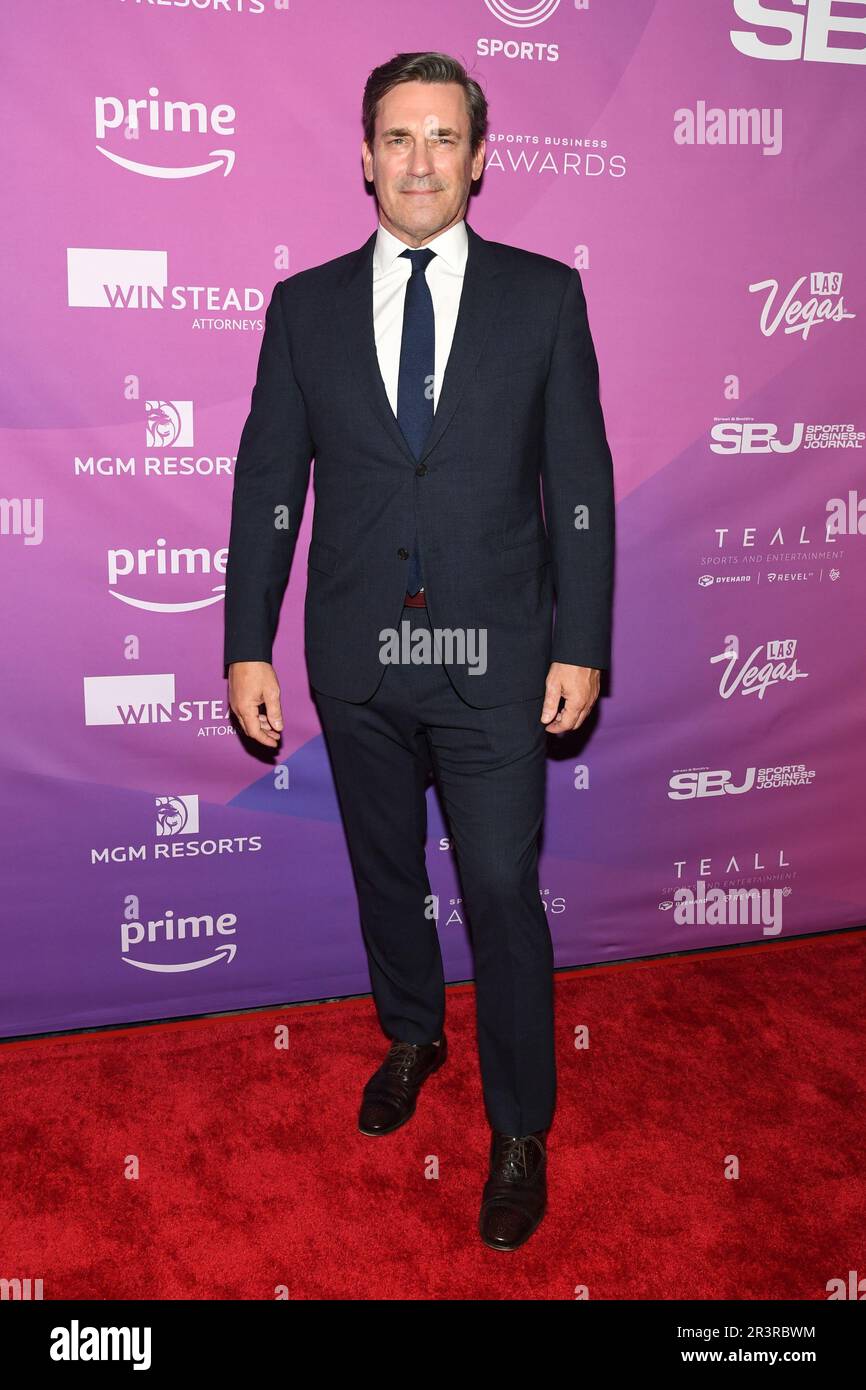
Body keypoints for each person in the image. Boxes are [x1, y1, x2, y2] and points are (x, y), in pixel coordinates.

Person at [223, 51, 615, 1251]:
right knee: (386, 874)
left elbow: (582, 486)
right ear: (364, 155)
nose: (420, 160)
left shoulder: (543, 298)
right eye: (398, 137)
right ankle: (411, 1030)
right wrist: (247, 642)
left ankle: (517, 1126)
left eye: (444, 137)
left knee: (497, 887)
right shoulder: (303, 308)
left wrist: (583, 640)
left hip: (497, 657)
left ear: (480, 158)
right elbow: (265, 487)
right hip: (360, 654)